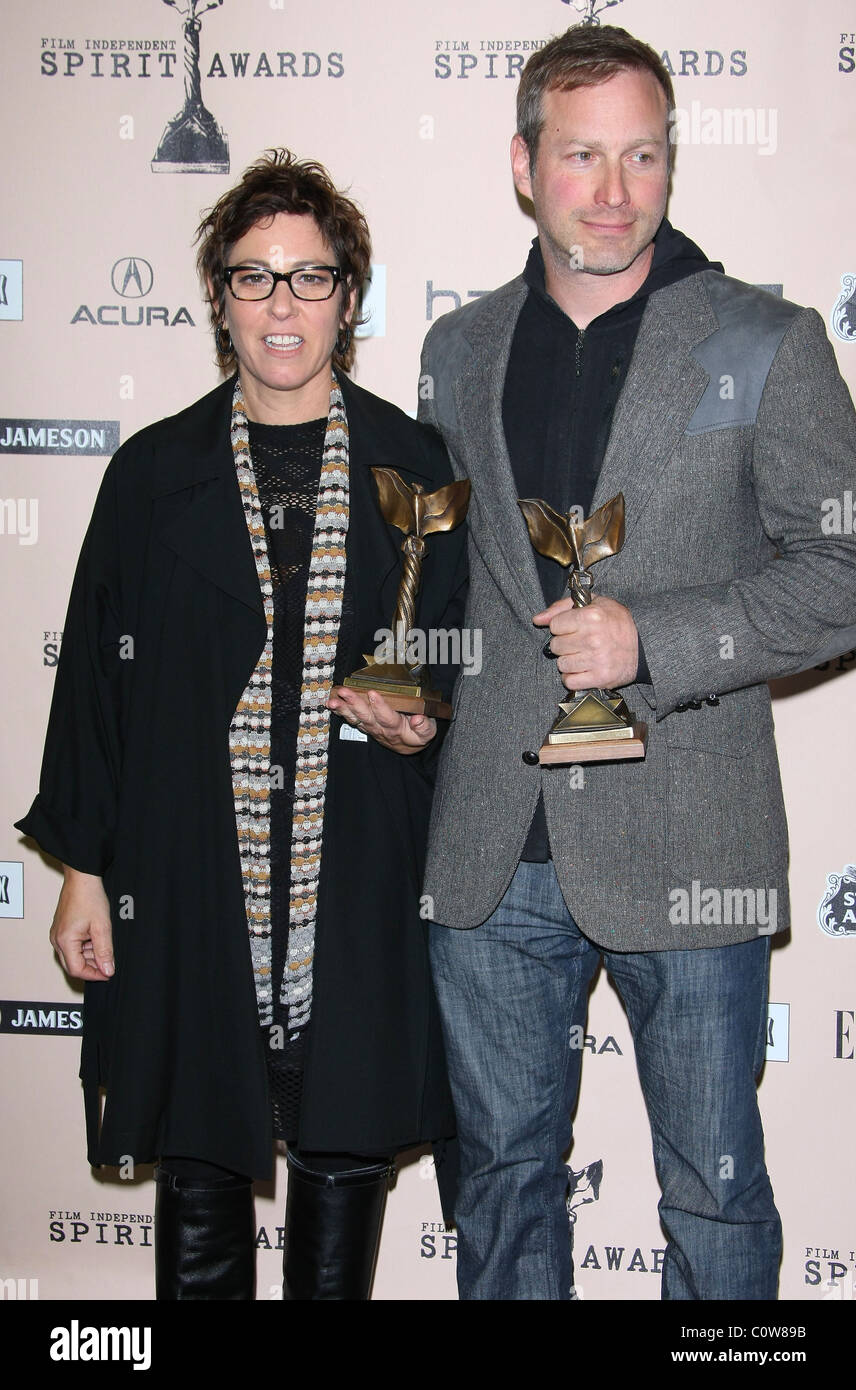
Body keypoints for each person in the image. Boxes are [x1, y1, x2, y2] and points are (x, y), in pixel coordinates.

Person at [415, 25, 856, 1299]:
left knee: (715, 1194)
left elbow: (842, 565)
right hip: (492, 844)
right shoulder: (458, 350)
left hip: (689, 838)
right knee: (500, 1184)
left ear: (672, 163)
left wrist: (653, 638)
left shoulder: (763, 342)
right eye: (581, 156)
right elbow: (446, 575)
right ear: (522, 163)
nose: (613, 191)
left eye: (643, 156)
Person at [15, 148, 466, 1301]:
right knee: (202, 1164)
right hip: (188, 878)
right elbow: (95, 693)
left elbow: (462, 658)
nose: (282, 304)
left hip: (358, 873)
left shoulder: (413, 470)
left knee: (344, 1147)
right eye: (255, 276)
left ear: (349, 297)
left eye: (309, 278)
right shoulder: (152, 474)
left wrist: (426, 724)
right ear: (218, 295)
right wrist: (81, 870)